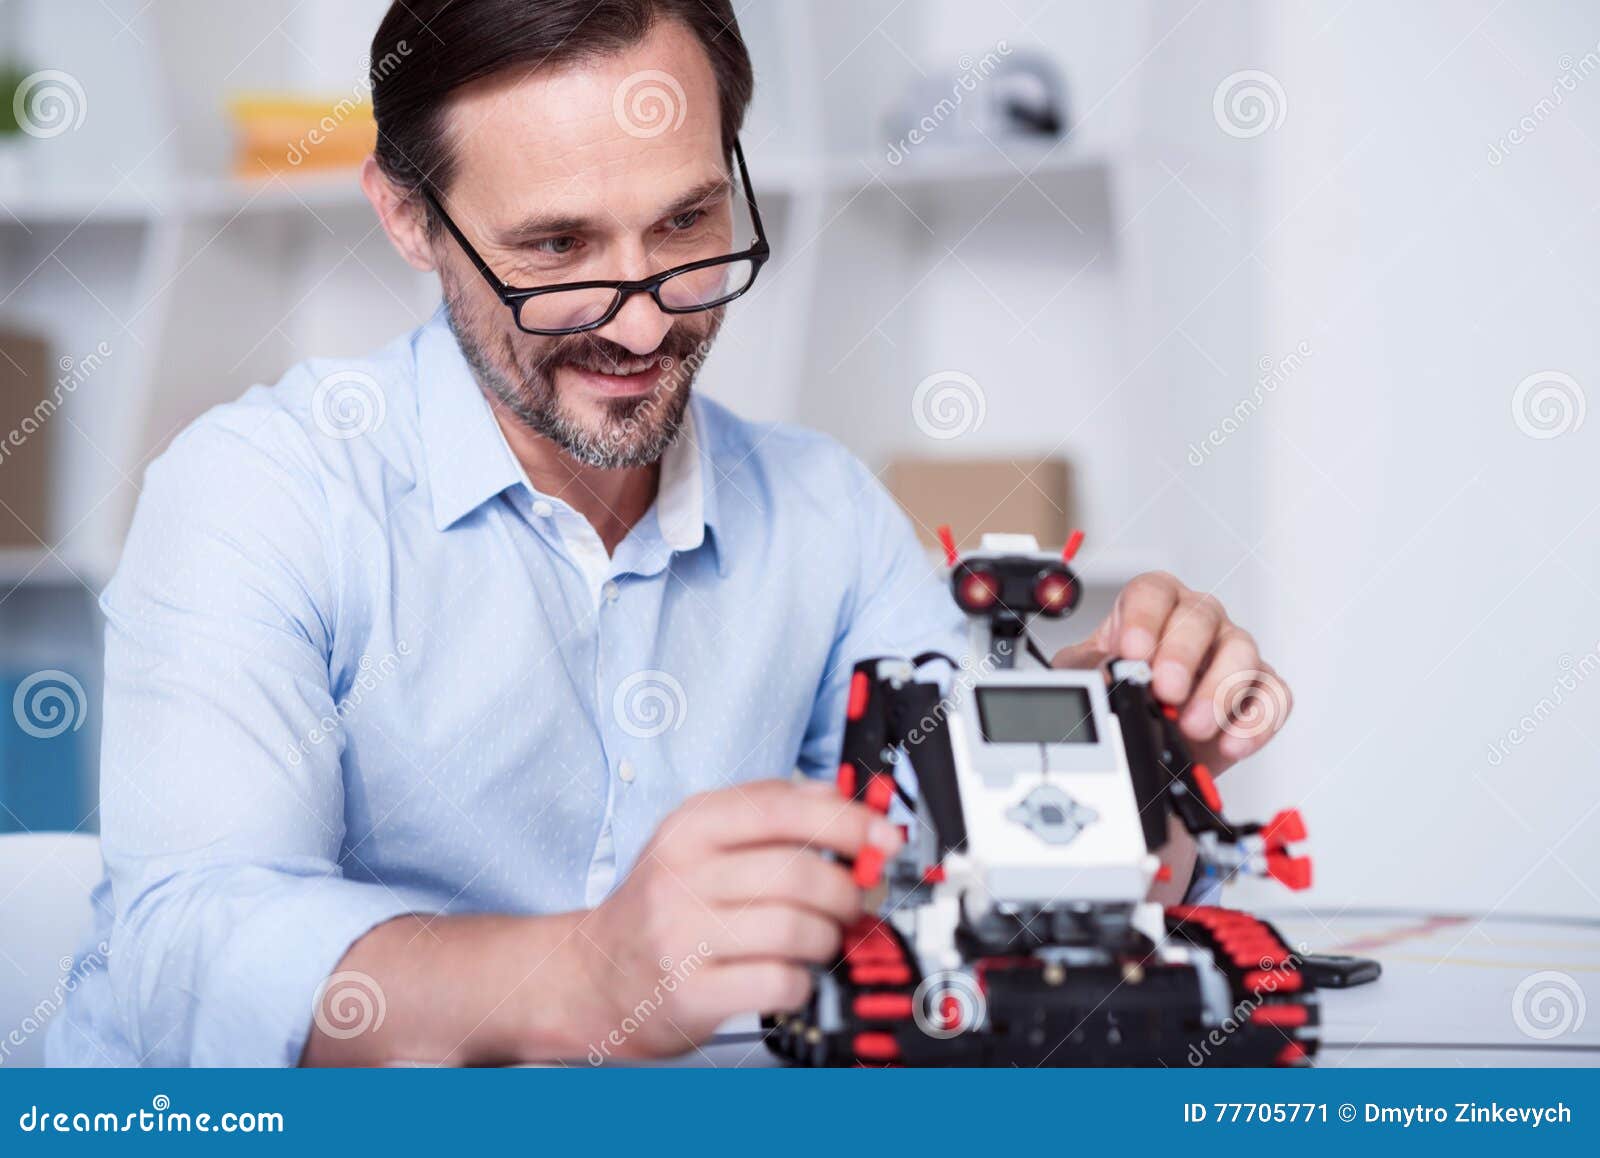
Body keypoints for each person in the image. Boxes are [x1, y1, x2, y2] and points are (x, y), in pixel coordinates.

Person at [50, 0, 1290, 1067]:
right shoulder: (261, 490)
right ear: (408, 216)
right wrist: (587, 975)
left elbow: (955, 884)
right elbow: (189, 945)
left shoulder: (822, 513)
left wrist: (1132, 774)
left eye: (689, 225)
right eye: (557, 247)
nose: (643, 327)